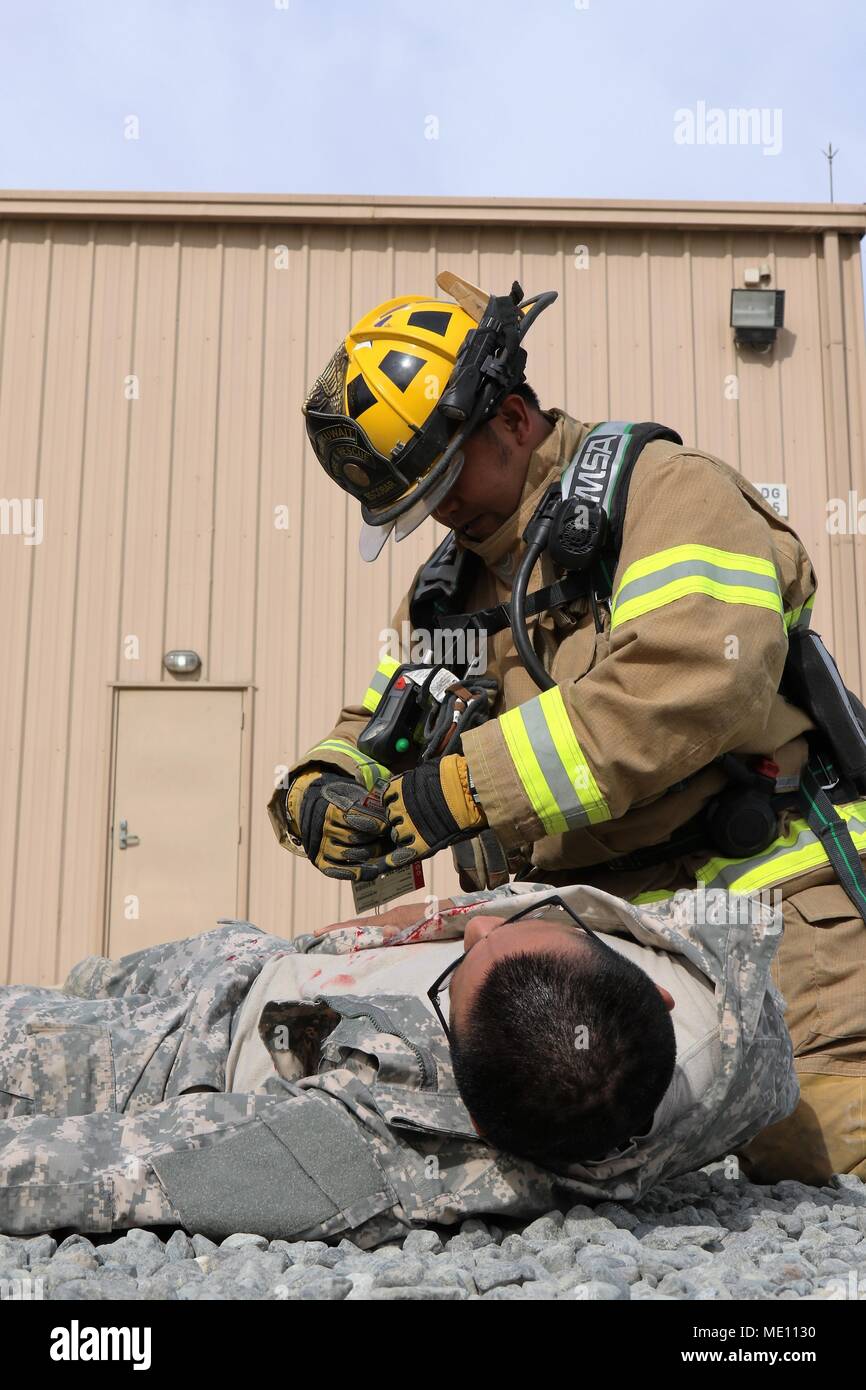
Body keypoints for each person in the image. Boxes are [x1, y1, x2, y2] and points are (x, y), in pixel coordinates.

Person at [268, 272, 866, 1182]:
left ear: (511, 417)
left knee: (812, 1149)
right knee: (562, 1158)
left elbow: (693, 684)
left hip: (762, 909)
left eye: (444, 480)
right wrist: (321, 786)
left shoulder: (670, 495)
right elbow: (388, 720)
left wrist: (462, 790)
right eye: (417, 504)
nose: (440, 514)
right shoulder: (450, 588)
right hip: (583, 946)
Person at [0, 881, 794, 1240]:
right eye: (543, 917)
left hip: (170, 1052)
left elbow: (120, 1174)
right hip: (257, 959)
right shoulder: (709, 974)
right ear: (653, 989)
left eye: (456, 974)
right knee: (82, 976)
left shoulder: (403, 1157)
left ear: (475, 1120)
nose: (476, 926)